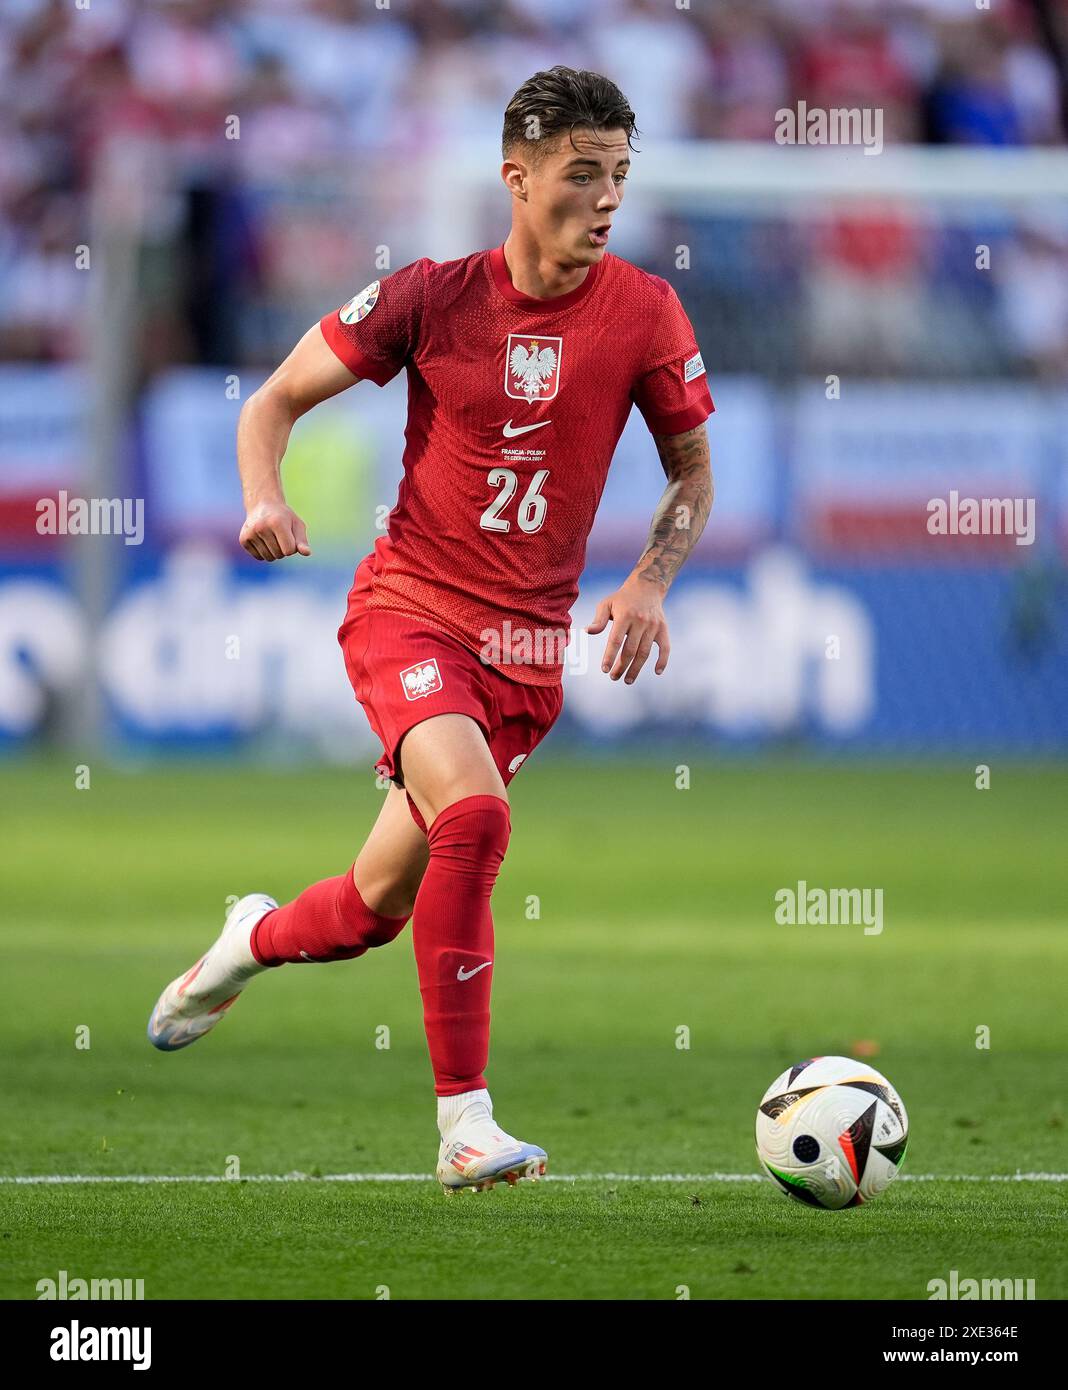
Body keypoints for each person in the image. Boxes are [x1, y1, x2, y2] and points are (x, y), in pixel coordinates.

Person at [147, 66, 715, 1194]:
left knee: (369, 911)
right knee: (478, 814)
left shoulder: (645, 311)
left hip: (525, 660)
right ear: (516, 176)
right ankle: (465, 1125)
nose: (606, 198)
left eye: (619, 176)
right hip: (409, 609)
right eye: (581, 174)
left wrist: (653, 577)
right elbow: (271, 401)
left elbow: (692, 469)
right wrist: (263, 496)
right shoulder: (429, 297)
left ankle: (246, 940)